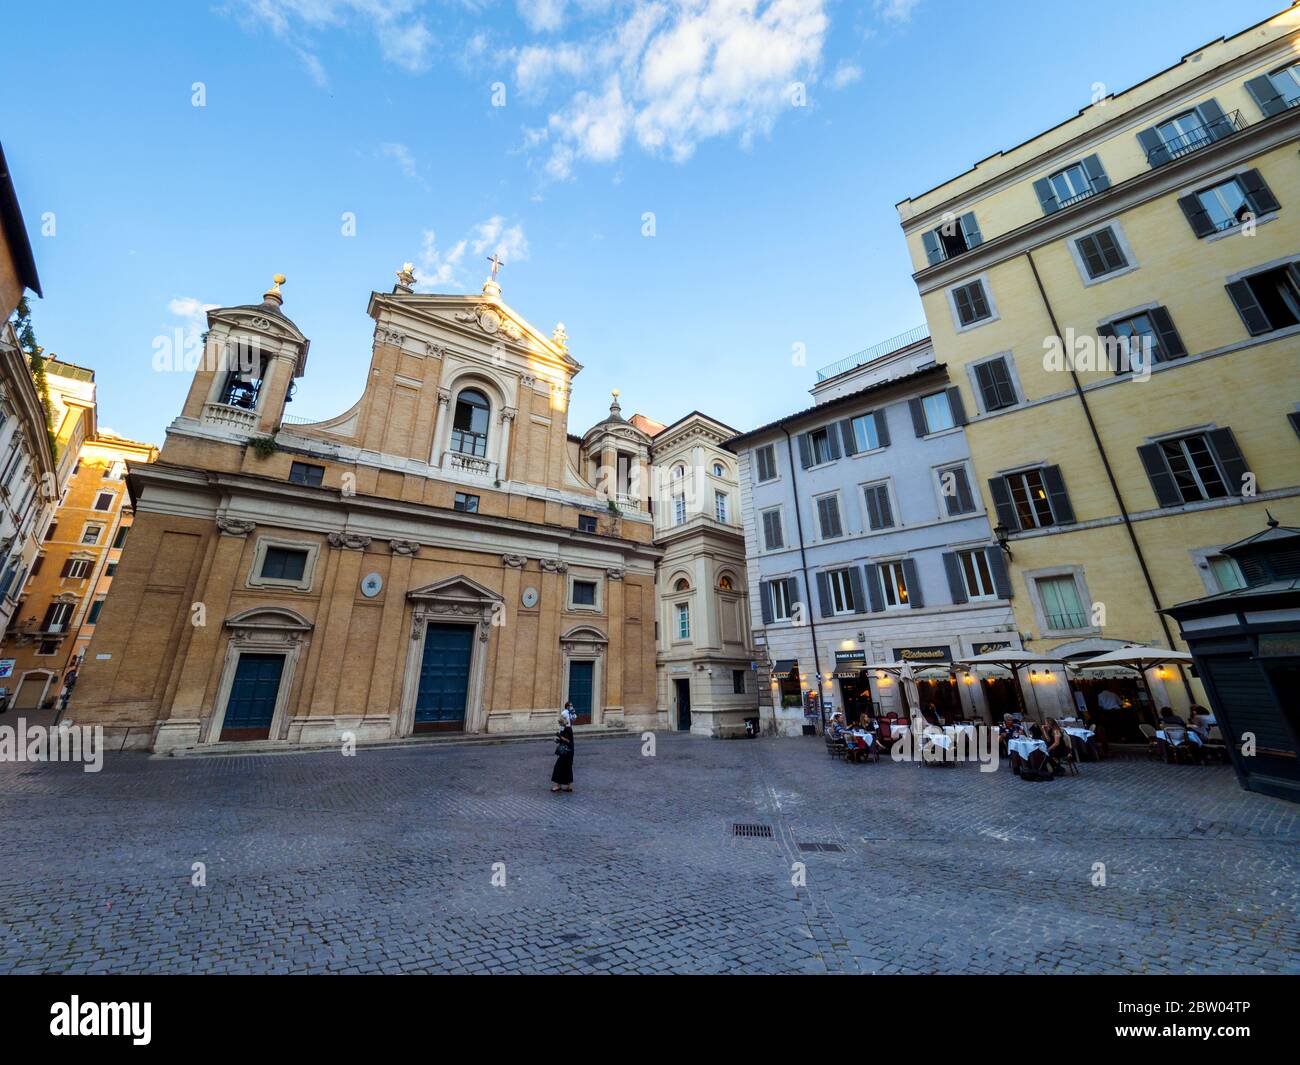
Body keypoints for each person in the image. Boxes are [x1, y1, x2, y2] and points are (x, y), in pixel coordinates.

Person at [551, 710, 574, 793]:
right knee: (567, 768)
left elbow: (567, 741)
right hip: (568, 752)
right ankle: (568, 786)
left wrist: (559, 736)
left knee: (558, 767)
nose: (559, 724)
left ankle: (558, 785)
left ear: (563, 721)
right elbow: (564, 740)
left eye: (560, 722)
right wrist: (558, 740)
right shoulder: (566, 729)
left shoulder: (567, 729)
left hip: (566, 753)